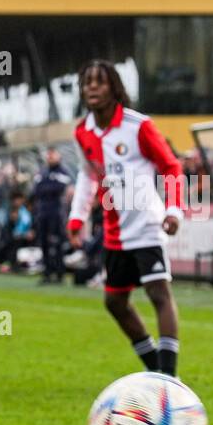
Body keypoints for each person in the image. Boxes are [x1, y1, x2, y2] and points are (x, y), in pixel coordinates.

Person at [68, 60, 185, 377]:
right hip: (113, 230)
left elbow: (171, 166)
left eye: (100, 82)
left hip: (146, 223)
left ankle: (168, 378)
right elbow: (87, 175)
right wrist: (77, 218)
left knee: (159, 294)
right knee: (115, 302)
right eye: (87, 82)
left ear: (114, 88)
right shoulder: (82, 131)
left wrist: (174, 210)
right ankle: (155, 369)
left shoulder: (138, 126)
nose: (92, 87)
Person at [30, 147, 72, 283]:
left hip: (57, 213)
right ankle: (47, 273)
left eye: (53, 154)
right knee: (44, 243)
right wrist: (48, 187)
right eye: (49, 154)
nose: (50, 157)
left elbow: (58, 188)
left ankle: (60, 273)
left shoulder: (63, 172)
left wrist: (47, 187)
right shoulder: (42, 172)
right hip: (42, 213)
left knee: (58, 243)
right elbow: (37, 189)